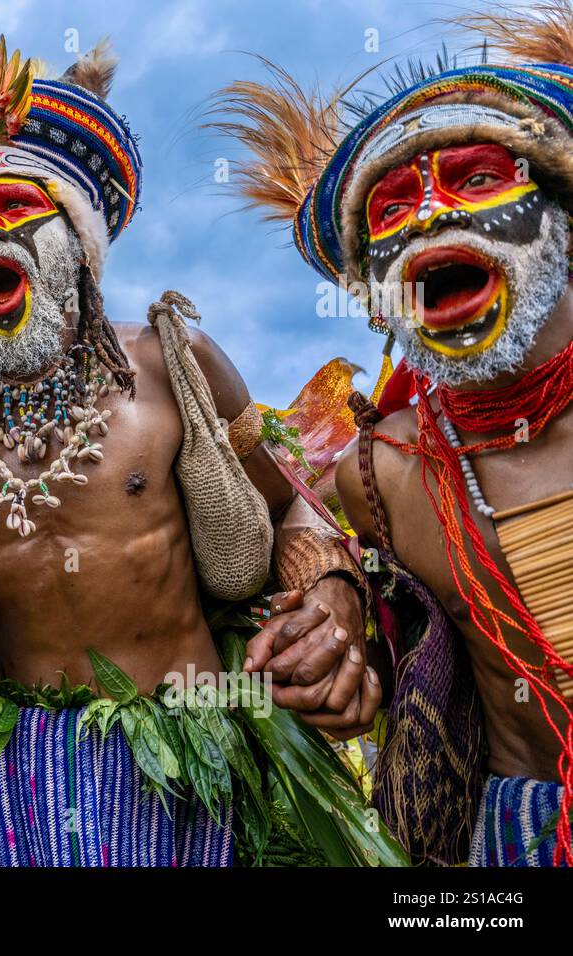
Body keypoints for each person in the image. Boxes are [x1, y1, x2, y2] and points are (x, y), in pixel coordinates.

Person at [0, 5, 397, 867]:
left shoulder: (173, 364)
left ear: (80, 241)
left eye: (12, 206)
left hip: (188, 751)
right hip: (13, 773)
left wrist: (332, 603)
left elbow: (297, 514)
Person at [217, 5, 573, 866]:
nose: (427, 220)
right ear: (375, 293)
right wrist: (337, 618)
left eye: (478, 178)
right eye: (393, 212)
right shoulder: (384, 473)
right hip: (518, 839)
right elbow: (384, 652)